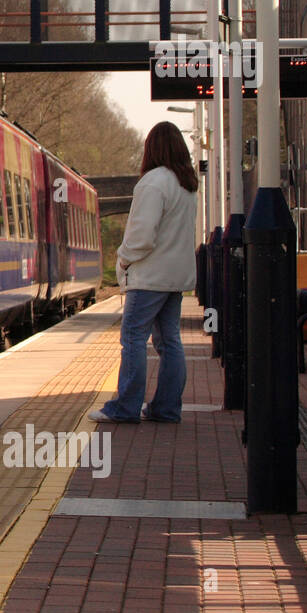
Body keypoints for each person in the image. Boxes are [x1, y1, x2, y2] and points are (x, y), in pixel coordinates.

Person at [89, 122, 199, 424]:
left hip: (150, 277)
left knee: (133, 339)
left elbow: (142, 235)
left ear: (152, 148)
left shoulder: (152, 183)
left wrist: (123, 258)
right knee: (170, 342)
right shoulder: (187, 184)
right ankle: (166, 408)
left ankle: (125, 407)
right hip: (176, 278)